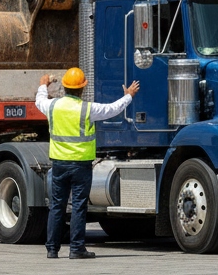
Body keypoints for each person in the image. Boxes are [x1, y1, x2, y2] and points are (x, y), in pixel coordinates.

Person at [36, 68, 140, 259]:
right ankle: (76, 249)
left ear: (65, 87)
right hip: (81, 165)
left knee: (57, 206)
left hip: (59, 164)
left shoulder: (52, 106)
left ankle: (52, 249)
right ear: (82, 89)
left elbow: (39, 101)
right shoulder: (87, 109)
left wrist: (43, 84)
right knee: (78, 206)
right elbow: (112, 110)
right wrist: (128, 96)